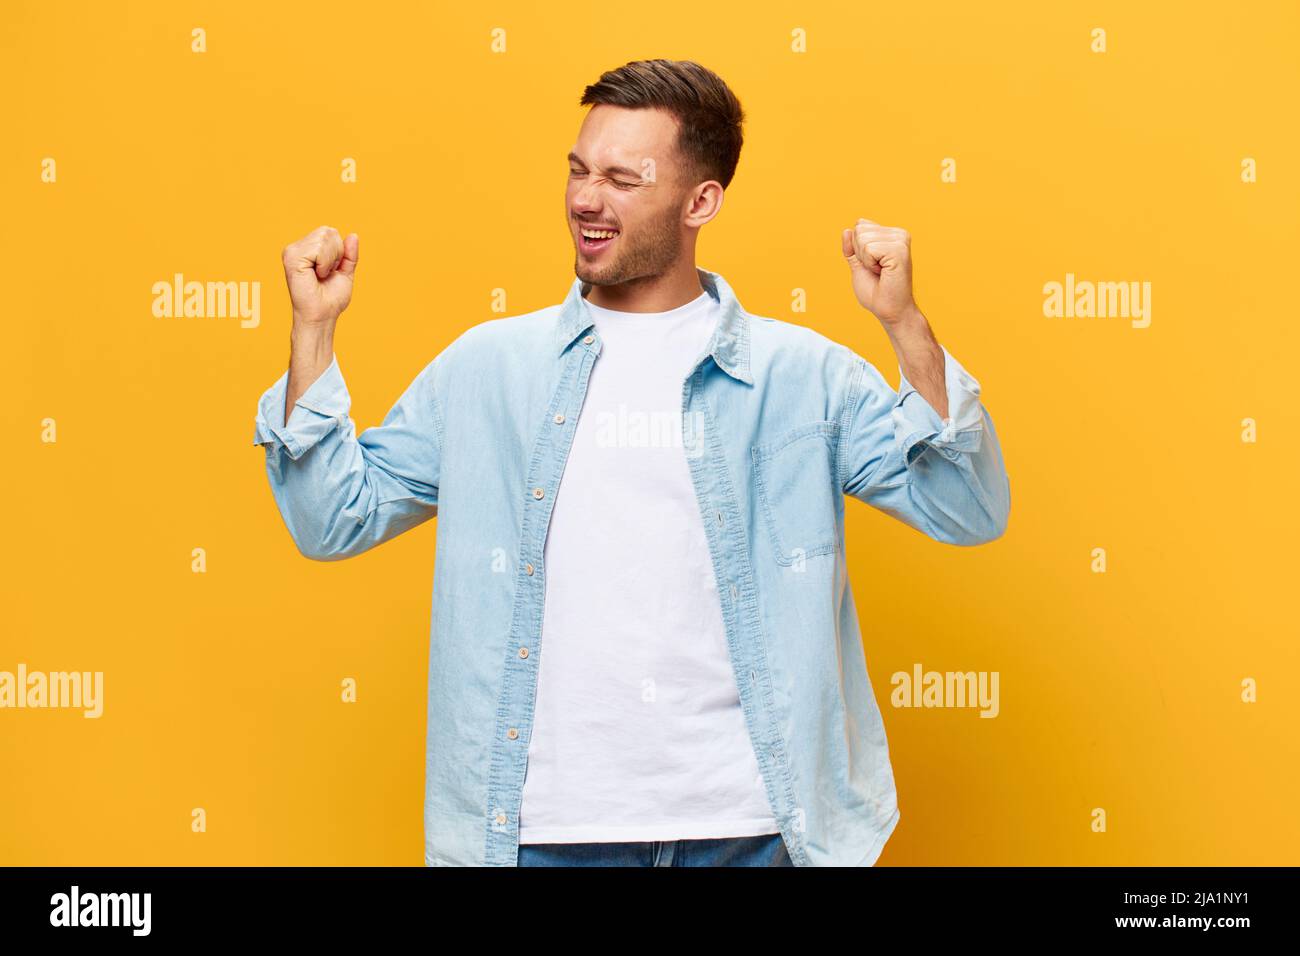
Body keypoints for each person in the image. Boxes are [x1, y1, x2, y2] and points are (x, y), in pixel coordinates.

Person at [252, 58, 1011, 867]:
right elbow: (333, 520)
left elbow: (965, 507)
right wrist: (313, 334)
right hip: (541, 837)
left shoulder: (802, 376)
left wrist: (904, 327)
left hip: (753, 832)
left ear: (700, 201)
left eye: (621, 178)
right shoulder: (488, 369)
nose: (585, 199)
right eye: (579, 171)